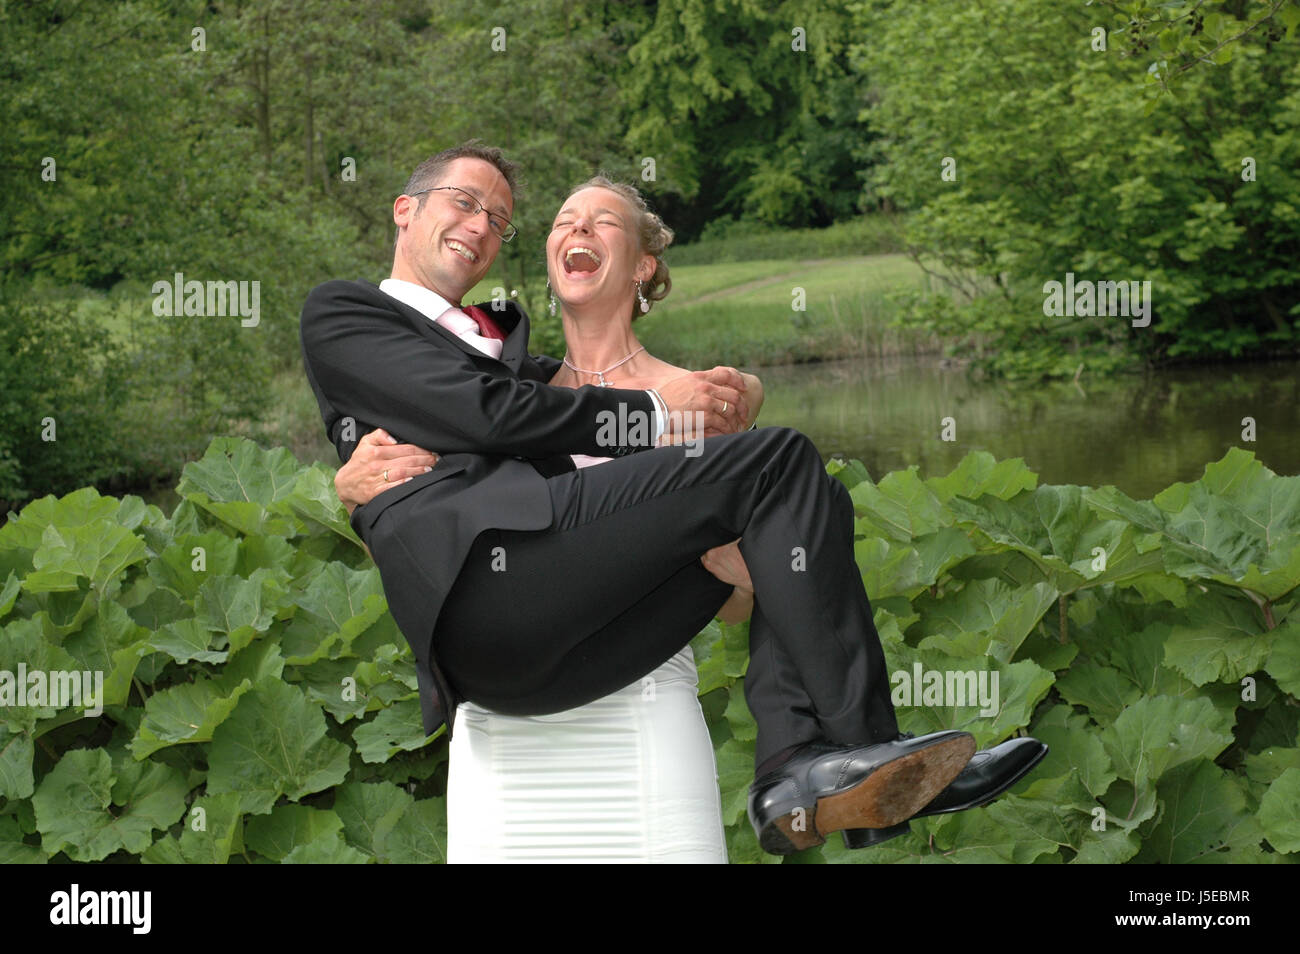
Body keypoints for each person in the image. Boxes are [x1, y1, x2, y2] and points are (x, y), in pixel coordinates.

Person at [299, 141, 1047, 856]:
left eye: (498, 220)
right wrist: (661, 415)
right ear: (404, 209)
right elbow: (484, 418)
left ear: (643, 264)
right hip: (489, 608)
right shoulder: (348, 313)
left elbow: (556, 426)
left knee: (813, 490)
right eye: (464, 203)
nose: (481, 227)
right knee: (777, 463)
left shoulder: (517, 364)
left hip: (586, 645)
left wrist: (735, 407)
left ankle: (803, 772)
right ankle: (856, 749)